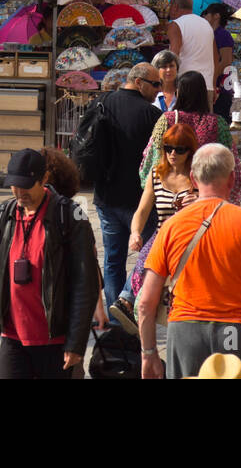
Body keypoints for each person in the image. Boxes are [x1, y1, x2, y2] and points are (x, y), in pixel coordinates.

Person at [139, 144, 241, 379]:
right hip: (240, 331)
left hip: (187, 331)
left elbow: (146, 302)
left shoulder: (171, 226)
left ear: (193, 179)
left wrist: (149, 353)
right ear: (232, 178)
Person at [0, 148, 99, 379]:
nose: (19, 192)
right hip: (13, 337)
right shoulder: (5, 215)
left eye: (26, 185)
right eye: (14, 185)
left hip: (55, 340)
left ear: (43, 179)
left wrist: (75, 344)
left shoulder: (70, 216)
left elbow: (86, 285)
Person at [109, 121, 198, 333]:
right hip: (163, 236)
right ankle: (129, 304)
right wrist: (135, 233)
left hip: (191, 240)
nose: (172, 154)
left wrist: (199, 200)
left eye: (179, 149)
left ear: (190, 151)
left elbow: (218, 203)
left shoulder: (198, 176)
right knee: (148, 254)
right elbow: (142, 210)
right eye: (168, 148)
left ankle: (128, 302)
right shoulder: (156, 174)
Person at [92, 63, 161, 319]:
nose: (159, 90)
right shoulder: (151, 115)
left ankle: (116, 318)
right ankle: (124, 302)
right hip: (138, 201)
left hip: (106, 195)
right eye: (155, 85)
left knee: (113, 259)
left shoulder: (103, 102)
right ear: (140, 82)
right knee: (150, 255)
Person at [139, 72, 241, 204]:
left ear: (179, 92)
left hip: (171, 192)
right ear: (203, 93)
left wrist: (152, 190)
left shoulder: (167, 119)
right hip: (206, 191)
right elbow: (231, 161)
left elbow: (152, 158)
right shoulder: (217, 123)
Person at [166, 0, 217, 93]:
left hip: (185, 86)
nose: (168, 9)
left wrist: (167, 86)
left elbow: (173, 56)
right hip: (207, 86)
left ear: (175, 6)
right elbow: (216, 57)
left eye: (169, 5)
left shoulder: (176, 25)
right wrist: (213, 85)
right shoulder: (206, 24)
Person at [203, 2, 236, 118]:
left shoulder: (223, 34)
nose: (204, 17)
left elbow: (226, 61)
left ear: (216, 16)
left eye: (207, 13)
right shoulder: (211, 33)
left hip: (220, 87)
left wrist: (213, 78)